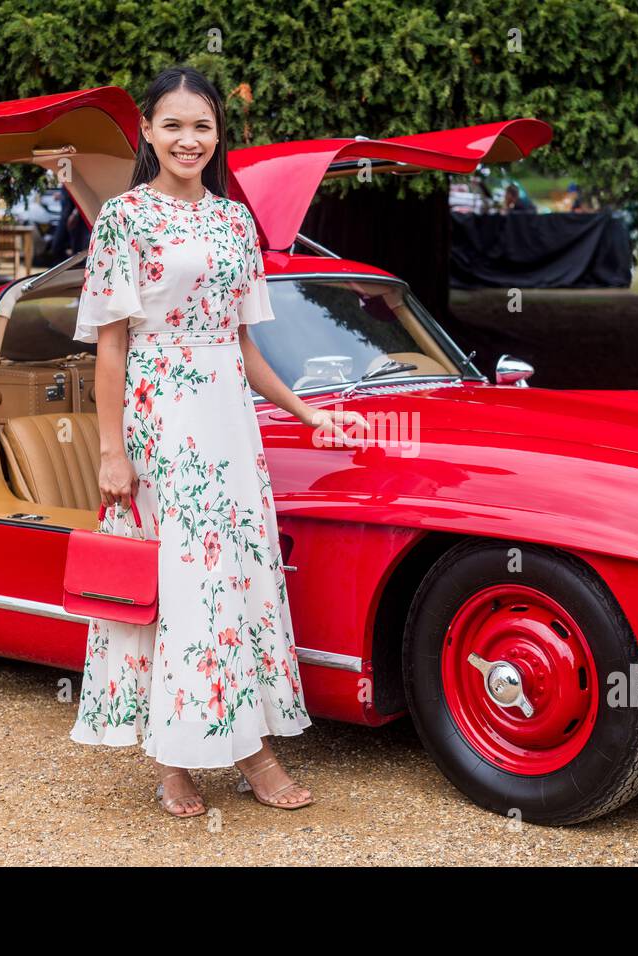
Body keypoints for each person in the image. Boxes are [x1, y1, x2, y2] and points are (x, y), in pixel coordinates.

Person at [67, 65, 368, 818]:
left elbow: (246, 350)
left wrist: (309, 414)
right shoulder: (124, 219)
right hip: (158, 415)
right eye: (173, 125)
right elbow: (108, 349)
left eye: (202, 126)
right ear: (148, 132)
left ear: (218, 135)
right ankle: (186, 760)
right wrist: (111, 452)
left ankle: (243, 744)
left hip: (229, 422)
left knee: (241, 579)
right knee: (186, 586)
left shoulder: (236, 222)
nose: (188, 139)